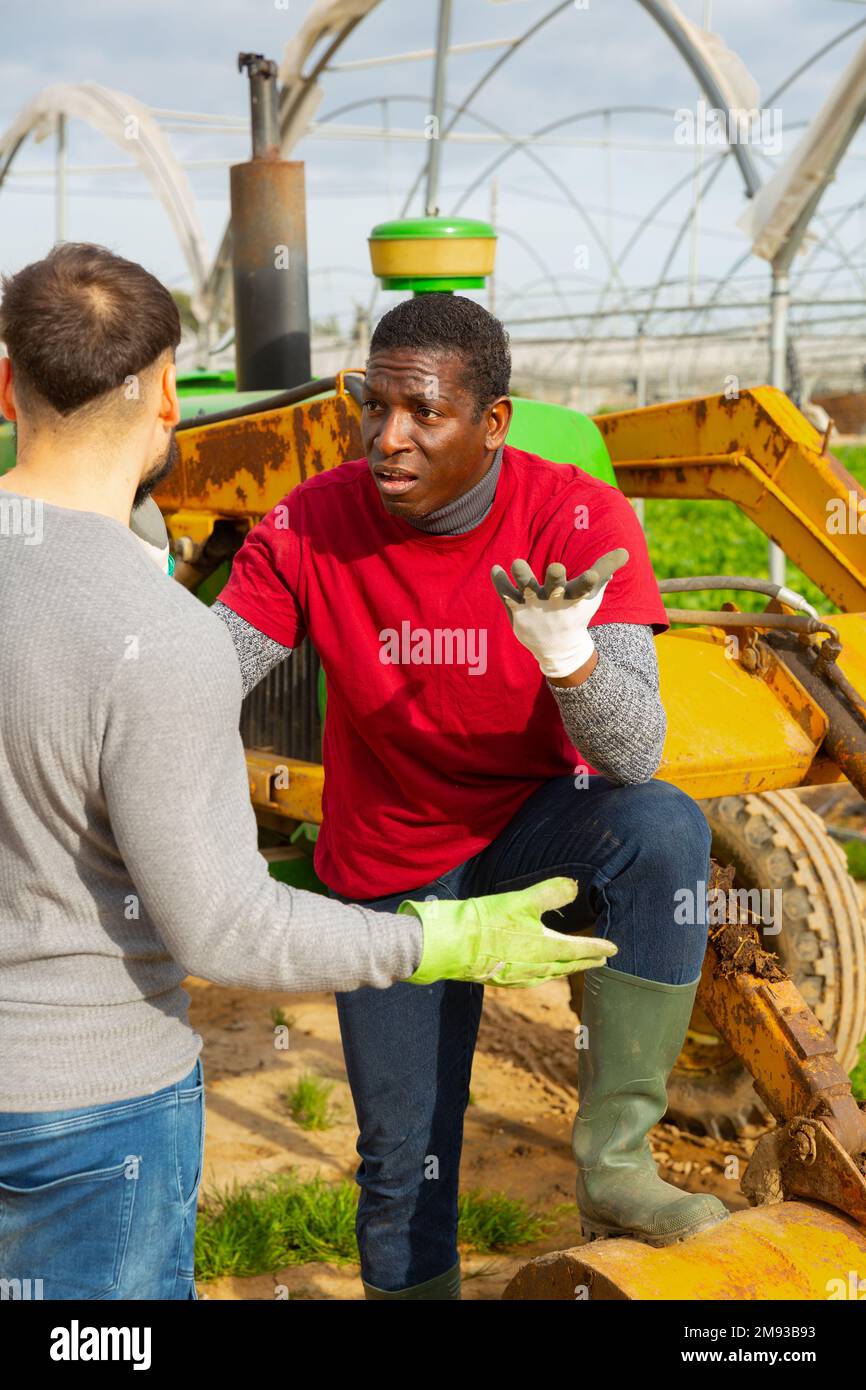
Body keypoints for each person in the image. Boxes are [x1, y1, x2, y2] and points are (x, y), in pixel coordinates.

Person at [0, 244, 611, 1302]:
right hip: (87, 1115)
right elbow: (224, 927)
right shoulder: (162, 638)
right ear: (168, 399)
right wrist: (436, 936)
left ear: (4, 384)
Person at [213, 291, 730, 1300]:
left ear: (491, 422)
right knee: (403, 1168)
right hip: (389, 861)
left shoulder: (575, 516)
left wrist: (569, 659)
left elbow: (635, 754)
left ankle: (616, 1162)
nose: (387, 438)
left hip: (523, 833)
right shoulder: (312, 523)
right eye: (374, 406)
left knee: (662, 826)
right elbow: (211, 671)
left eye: (422, 412)